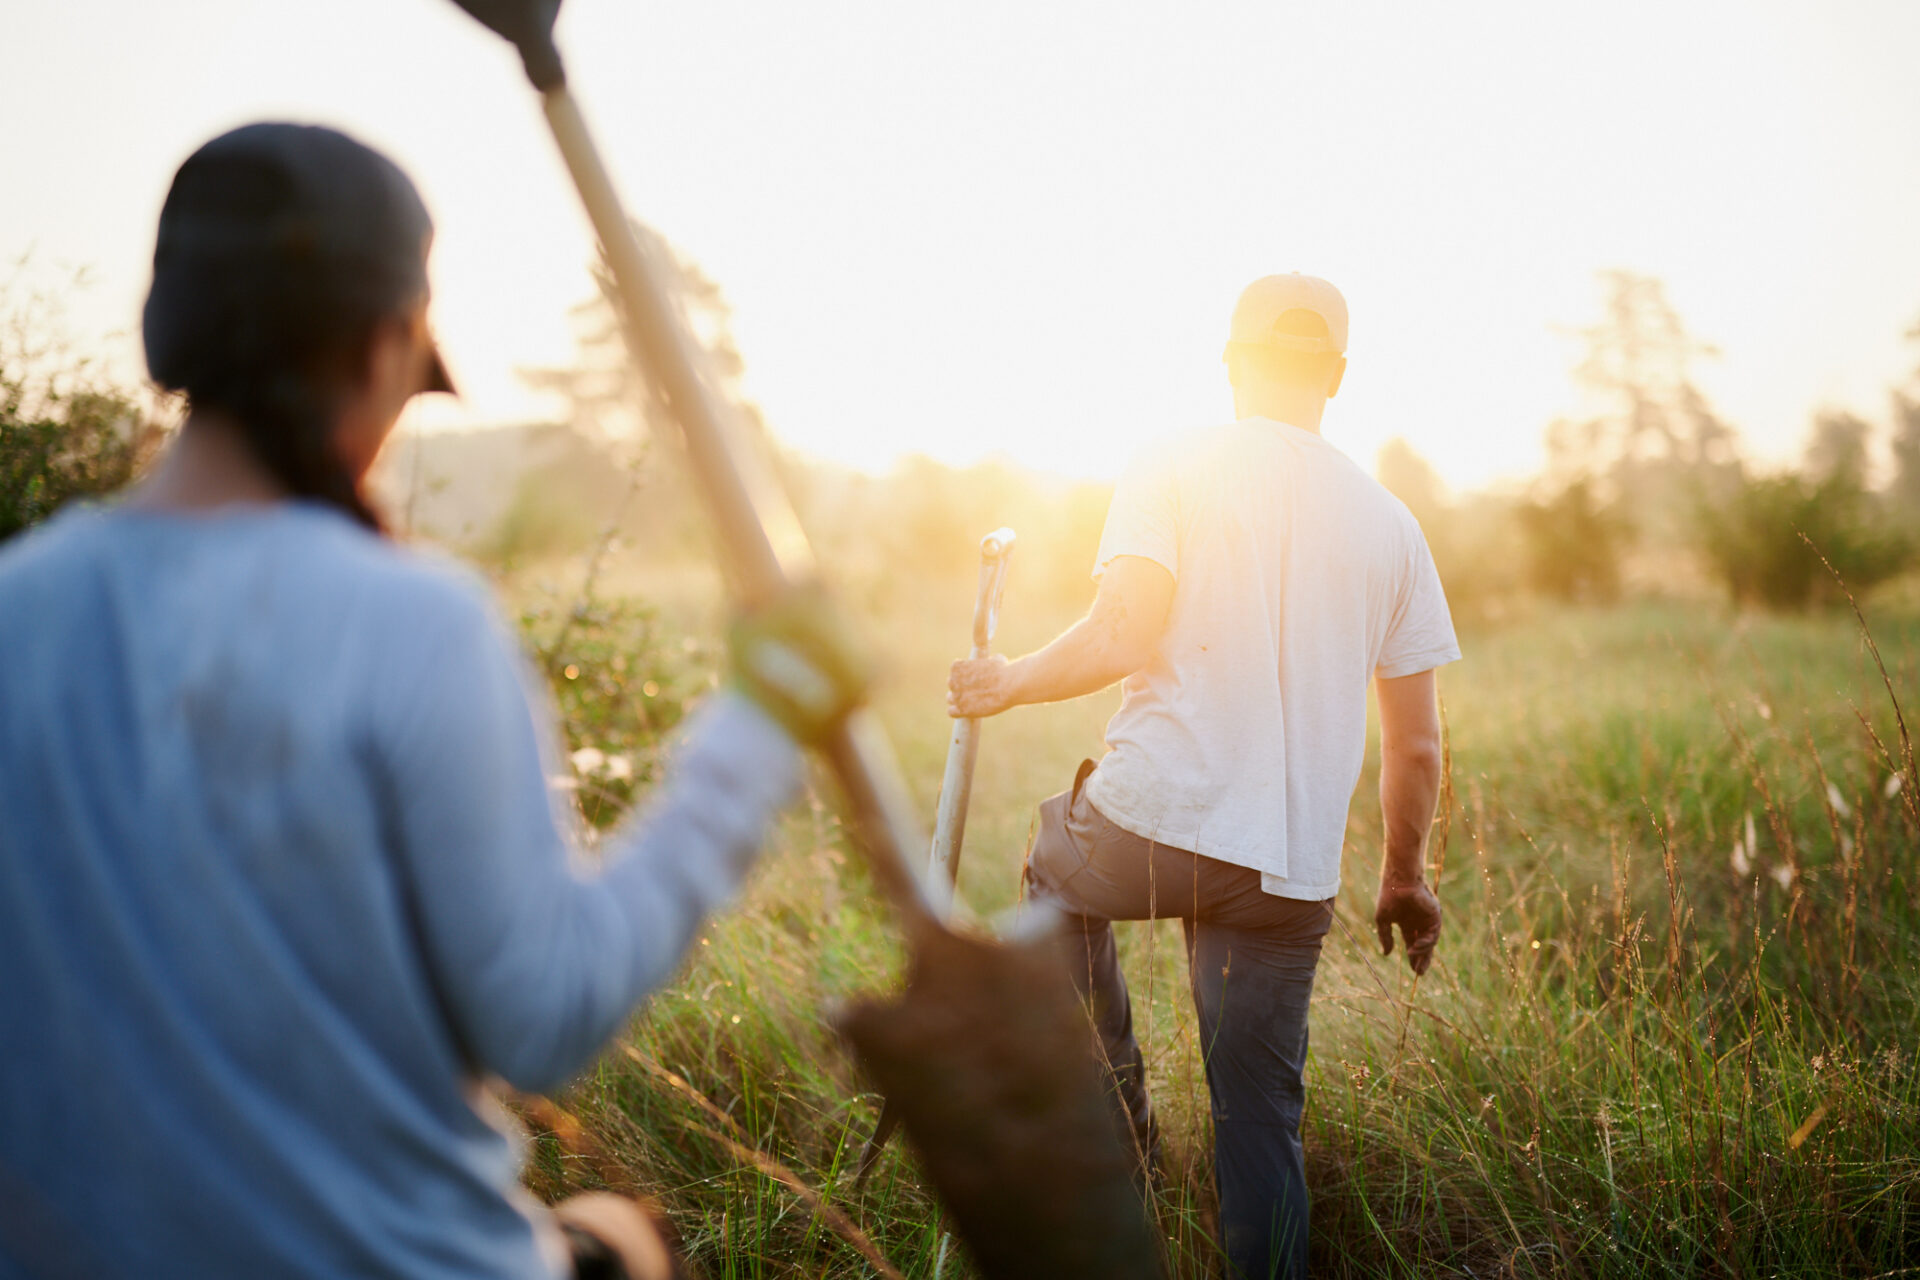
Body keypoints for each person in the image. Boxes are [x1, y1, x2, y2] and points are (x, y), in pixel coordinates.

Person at [0, 122, 865, 1279]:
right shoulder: (413, 622)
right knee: (635, 1240)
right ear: (377, 347)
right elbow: (544, 1017)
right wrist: (756, 732)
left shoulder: (18, 607)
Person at [948, 274, 1460, 1280]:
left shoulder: (1173, 461)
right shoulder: (1394, 525)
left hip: (1151, 827)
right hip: (1287, 873)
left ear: (1229, 362)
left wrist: (1006, 682)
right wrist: (1403, 877)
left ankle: (1123, 1133)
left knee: (1052, 873)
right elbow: (1417, 747)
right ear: (1338, 376)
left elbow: (1122, 629)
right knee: (1261, 1116)